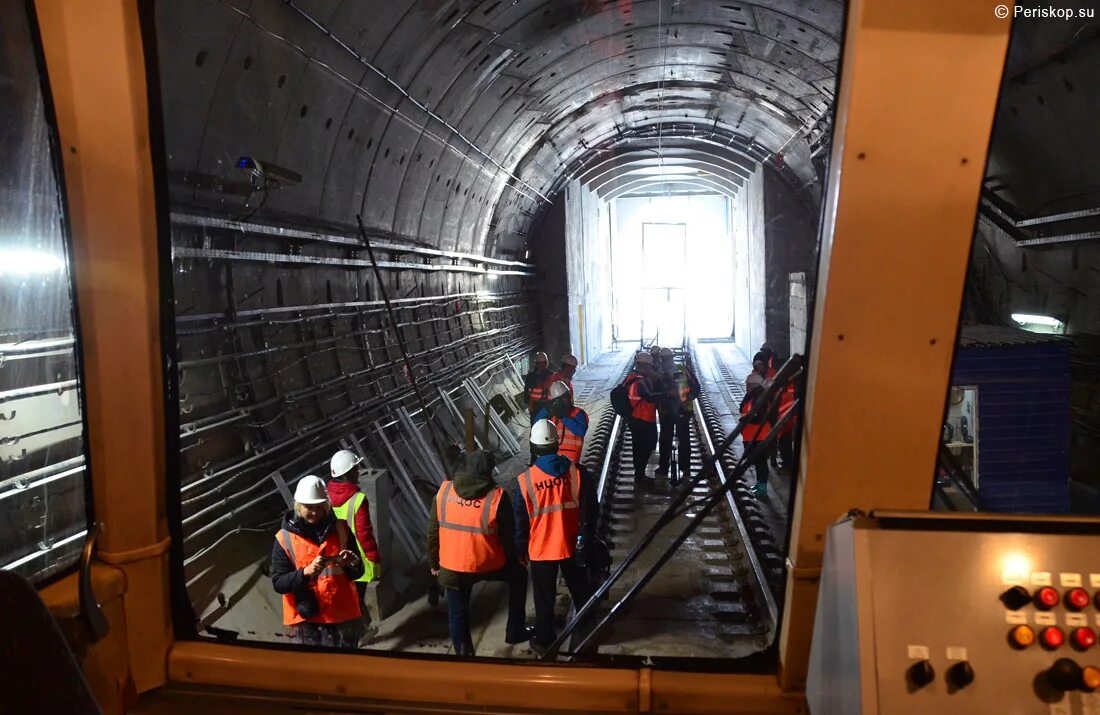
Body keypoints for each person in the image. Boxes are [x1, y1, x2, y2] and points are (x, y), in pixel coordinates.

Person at [427, 450, 529, 655]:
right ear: (489, 471)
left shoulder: (444, 492)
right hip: (489, 563)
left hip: (453, 566)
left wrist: (434, 565)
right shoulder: (497, 498)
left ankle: (465, 657)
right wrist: (518, 558)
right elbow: (508, 537)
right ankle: (514, 630)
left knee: (457, 614)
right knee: (520, 576)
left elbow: (432, 533)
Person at [513, 420, 597, 656]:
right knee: (581, 589)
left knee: (544, 597)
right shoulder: (576, 471)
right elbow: (592, 507)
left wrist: (520, 550)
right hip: (572, 543)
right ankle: (591, 626)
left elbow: (520, 522)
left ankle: (545, 639)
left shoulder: (525, 481)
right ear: (557, 443)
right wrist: (589, 535)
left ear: (534, 446)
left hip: (541, 548)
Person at [270, 475, 365, 647]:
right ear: (298, 506)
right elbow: (278, 583)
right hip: (306, 622)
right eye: (308, 507)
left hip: (343, 617)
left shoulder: (341, 529)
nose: (314, 512)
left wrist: (353, 563)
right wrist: (305, 573)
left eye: (319, 507)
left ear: (326, 505)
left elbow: (359, 572)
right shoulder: (284, 538)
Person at [328, 449, 382, 644]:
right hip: (355, 557)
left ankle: (363, 628)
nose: (359, 471)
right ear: (348, 473)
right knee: (355, 598)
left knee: (349, 595)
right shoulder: (358, 499)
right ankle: (355, 637)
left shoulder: (326, 497)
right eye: (356, 468)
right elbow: (364, 533)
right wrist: (373, 557)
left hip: (333, 557)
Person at [655, 348, 700, 486]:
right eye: (664, 359)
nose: (665, 361)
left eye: (666, 358)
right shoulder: (660, 373)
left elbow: (696, 389)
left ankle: (676, 468)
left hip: (678, 412)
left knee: (677, 440)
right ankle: (674, 468)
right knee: (669, 440)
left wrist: (684, 398)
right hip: (670, 412)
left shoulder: (679, 371)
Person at [533, 380, 589, 465]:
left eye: (564, 397)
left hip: (571, 460)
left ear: (569, 396)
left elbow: (581, 431)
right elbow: (536, 425)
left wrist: (563, 416)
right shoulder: (552, 414)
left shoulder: (578, 413)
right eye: (558, 399)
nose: (563, 401)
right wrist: (546, 409)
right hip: (554, 458)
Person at [625, 352, 659, 482]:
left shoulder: (632, 377)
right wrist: (666, 394)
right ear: (644, 366)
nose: (651, 369)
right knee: (646, 446)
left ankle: (639, 473)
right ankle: (640, 474)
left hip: (635, 418)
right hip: (643, 419)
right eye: (649, 367)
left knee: (638, 447)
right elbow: (649, 396)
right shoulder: (640, 381)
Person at [740, 374, 776, 497]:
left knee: (761, 462)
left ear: (754, 385)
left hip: (759, 435)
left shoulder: (761, 398)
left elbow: (760, 417)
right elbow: (743, 408)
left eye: (748, 384)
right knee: (757, 461)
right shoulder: (751, 396)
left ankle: (763, 486)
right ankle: (759, 483)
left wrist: (746, 420)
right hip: (752, 434)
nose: (746, 386)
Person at [523, 351, 554, 418]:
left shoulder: (531, 376)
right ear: (547, 363)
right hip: (544, 406)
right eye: (541, 364)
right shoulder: (551, 375)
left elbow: (526, 394)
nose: (541, 366)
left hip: (539, 406)